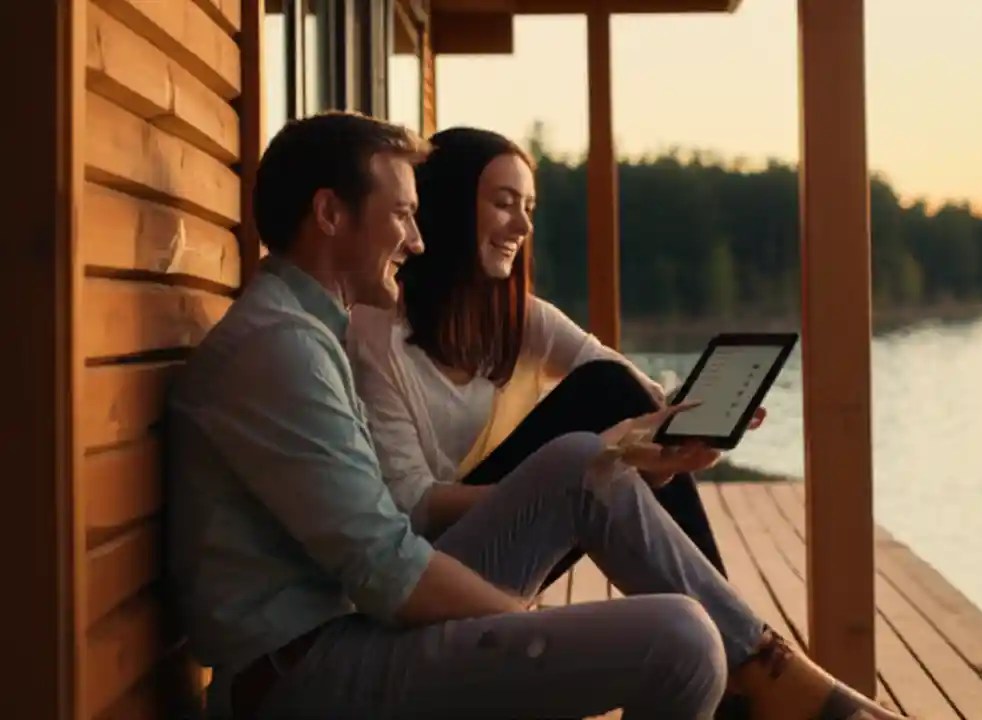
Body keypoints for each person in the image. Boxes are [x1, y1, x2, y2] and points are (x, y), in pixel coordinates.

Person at [165, 111, 911, 720]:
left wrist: (654, 436)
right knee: (679, 638)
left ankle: (762, 668)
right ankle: (763, 679)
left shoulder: (306, 334)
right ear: (330, 214)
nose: (417, 241)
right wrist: (530, 632)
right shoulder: (284, 349)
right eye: (401, 216)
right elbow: (387, 567)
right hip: (306, 675)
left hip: (345, 628)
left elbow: (389, 529)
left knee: (582, 460)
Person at [345, 125, 737, 584]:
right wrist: (555, 486)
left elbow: (633, 393)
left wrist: (688, 425)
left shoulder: (521, 319)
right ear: (449, 207)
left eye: (528, 208)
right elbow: (415, 504)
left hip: (502, 540)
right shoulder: (375, 333)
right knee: (601, 405)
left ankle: (721, 617)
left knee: (608, 388)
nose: (523, 226)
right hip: (428, 568)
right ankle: (728, 622)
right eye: (504, 204)